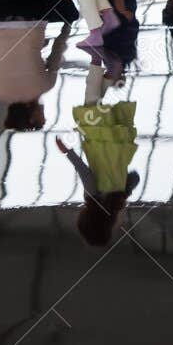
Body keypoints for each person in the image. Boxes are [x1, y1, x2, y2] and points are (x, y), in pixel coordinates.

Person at [55, 104, 139, 248]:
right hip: (99, 142)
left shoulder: (117, 201)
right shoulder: (93, 199)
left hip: (119, 141)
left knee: (113, 107)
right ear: (86, 221)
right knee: (93, 104)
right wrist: (67, 151)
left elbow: (135, 177)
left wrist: (125, 190)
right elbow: (84, 172)